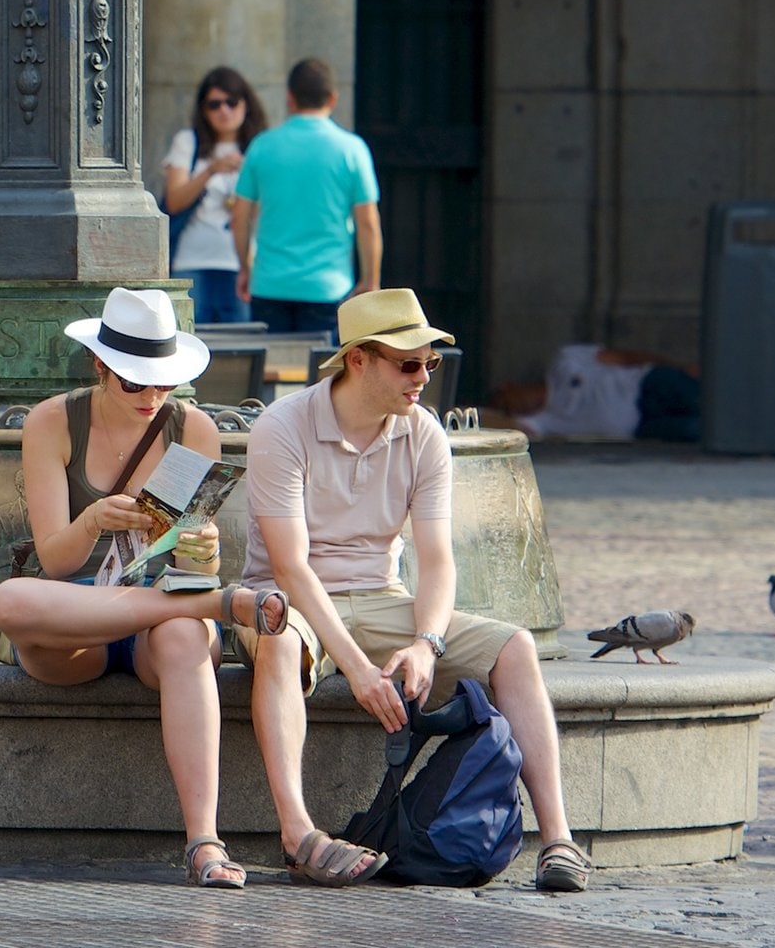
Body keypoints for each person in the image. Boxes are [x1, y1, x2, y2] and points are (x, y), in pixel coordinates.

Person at [239, 288, 589, 891]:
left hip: (382, 598)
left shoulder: (424, 431)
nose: (424, 377)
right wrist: (358, 669)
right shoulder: (283, 425)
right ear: (358, 360)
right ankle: (298, 835)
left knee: (515, 647)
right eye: (408, 364)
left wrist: (427, 643)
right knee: (278, 639)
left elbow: (437, 560)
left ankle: (558, 841)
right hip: (289, 599)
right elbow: (290, 567)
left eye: (431, 362)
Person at [0, 286, 291, 888]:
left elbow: (192, 560)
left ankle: (204, 842)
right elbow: (55, 562)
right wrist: (92, 521)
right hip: (77, 619)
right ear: (100, 367)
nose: (152, 398)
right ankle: (221, 606)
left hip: (162, 616)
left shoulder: (192, 428)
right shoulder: (54, 421)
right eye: (135, 384)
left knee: (185, 634)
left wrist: (204, 550)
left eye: (165, 384)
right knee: (9, 600)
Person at [230, 58, 380, 337]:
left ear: (290, 98)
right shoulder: (352, 149)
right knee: (324, 365)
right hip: (329, 286)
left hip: (269, 284)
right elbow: (368, 224)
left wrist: (245, 268)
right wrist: (370, 280)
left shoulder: (262, 146)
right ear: (333, 98)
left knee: (271, 363)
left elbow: (239, 218)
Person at [163, 67, 265, 325]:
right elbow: (174, 202)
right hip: (191, 262)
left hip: (241, 265)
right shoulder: (188, 141)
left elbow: (267, 210)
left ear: (246, 104)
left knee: (242, 343)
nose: (224, 111)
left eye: (232, 102)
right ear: (203, 110)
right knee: (189, 339)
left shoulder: (259, 147)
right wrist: (210, 170)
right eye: (214, 104)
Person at [488, 344, 701, 443]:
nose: (513, 408)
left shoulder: (565, 361)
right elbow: (489, 421)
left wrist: (678, 367)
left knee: (700, 398)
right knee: (697, 430)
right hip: (641, 424)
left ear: (509, 387)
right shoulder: (543, 421)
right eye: (507, 411)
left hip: (646, 384)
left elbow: (626, 357)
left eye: (505, 402)